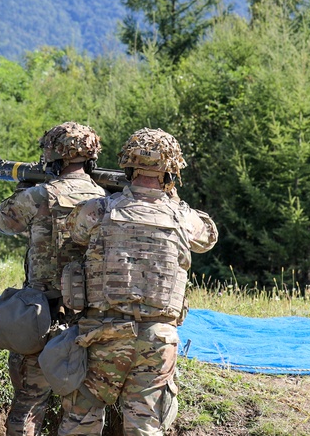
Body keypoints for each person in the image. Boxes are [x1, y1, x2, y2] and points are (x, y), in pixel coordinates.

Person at [58, 128, 217, 436]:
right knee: (145, 429)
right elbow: (208, 237)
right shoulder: (184, 217)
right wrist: (172, 198)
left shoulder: (99, 209)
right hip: (157, 339)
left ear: (127, 166)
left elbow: (75, 232)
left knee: (80, 425)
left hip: (101, 335)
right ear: (172, 171)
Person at [0, 122, 106, 436]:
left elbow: (2, 222)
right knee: (84, 409)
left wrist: (22, 188)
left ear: (55, 156)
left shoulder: (41, 193)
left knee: (27, 405)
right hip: (89, 317)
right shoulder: (106, 198)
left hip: (39, 313)